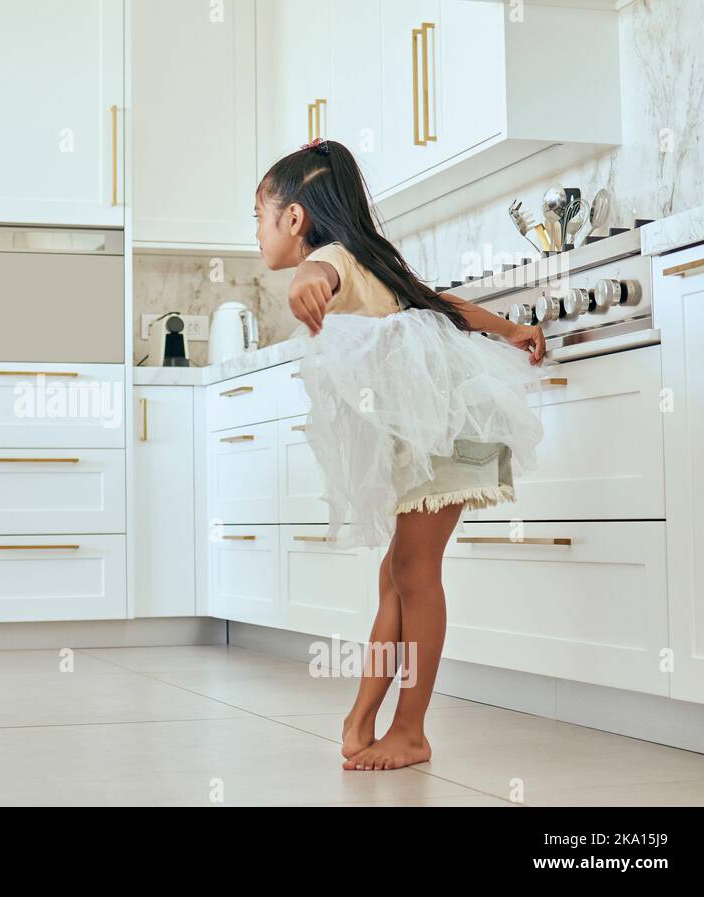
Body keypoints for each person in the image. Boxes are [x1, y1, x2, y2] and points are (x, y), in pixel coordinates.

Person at [254, 137, 547, 770]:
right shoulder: (369, 263)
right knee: (397, 573)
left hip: (452, 436)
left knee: (414, 573)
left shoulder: (336, 261)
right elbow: (446, 307)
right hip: (452, 433)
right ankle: (364, 716)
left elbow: (318, 270)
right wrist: (512, 329)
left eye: (260, 216)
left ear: (294, 219)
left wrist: (306, 279)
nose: (257, 231)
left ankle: (410, 729)